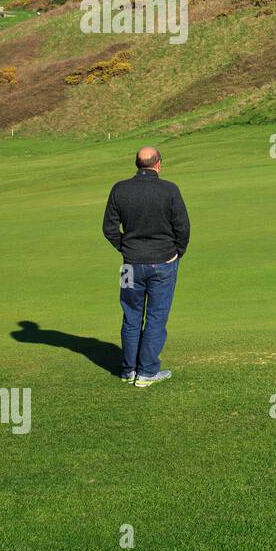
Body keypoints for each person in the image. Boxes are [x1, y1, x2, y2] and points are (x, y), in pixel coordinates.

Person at [102, 146, 190, 387]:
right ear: (158, 164)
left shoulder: (119, 189)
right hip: (163, 263)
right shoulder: (169, 190)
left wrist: (125, 248)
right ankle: (147, 371)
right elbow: (183, 228)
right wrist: (177, 253)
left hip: (130, 265)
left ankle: (129, 369)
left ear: (136, 164)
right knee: (156, 316)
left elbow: (109, 229)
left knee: (131, 315)